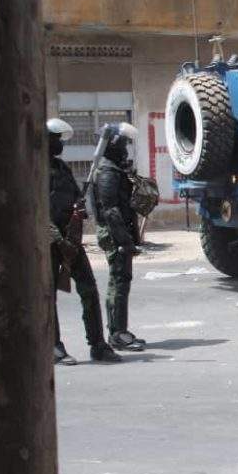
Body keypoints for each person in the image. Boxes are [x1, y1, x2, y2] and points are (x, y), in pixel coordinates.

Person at [47, 118, 121, 365]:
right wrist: (59, 240)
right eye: (55, 140)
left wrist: (79, 208)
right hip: (49, 242)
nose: (59, 145)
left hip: (72, 239)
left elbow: (75, 198)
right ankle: (54, 346)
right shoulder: (33, 172)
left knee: (88, 289)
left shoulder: (61, 168)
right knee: (48, 297)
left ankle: (98, 344)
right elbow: (37, 212)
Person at [94, 122, 147, 352]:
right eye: (123, 144)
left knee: (121, 280)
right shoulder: (107, 172)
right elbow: (110, 210)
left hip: (119, 232)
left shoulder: (114, 169)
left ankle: (119, 329)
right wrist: (124, 240)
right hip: (115, 234)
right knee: (118, 281)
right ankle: (117, 333)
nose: (126, 148)